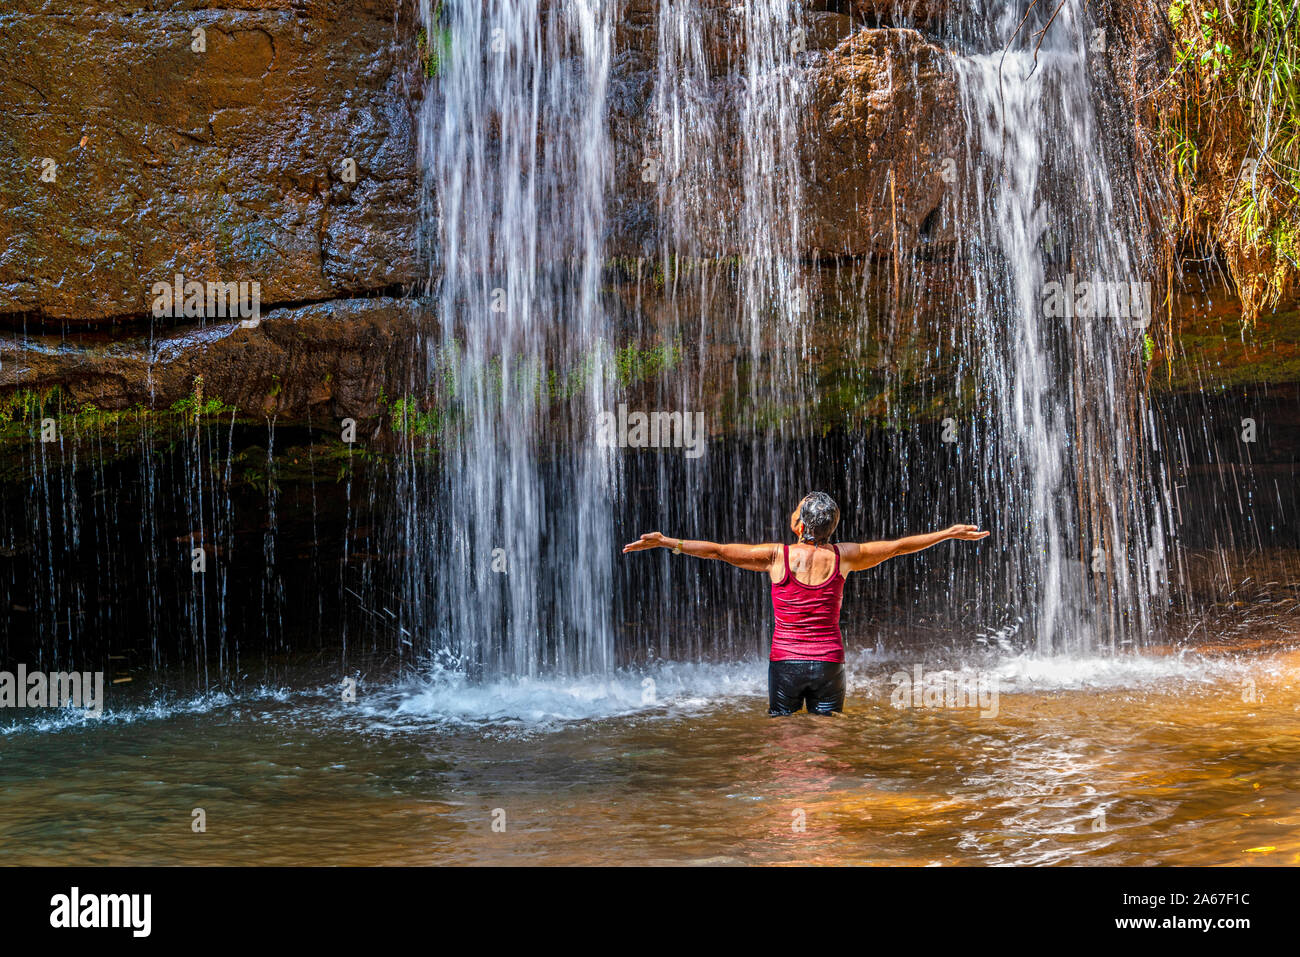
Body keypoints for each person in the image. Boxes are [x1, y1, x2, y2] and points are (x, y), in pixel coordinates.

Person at [622, 491, 989, 715]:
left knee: (783, 734)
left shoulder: (775, 556)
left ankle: (790, 800)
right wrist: (947, 534)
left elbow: (718, 552)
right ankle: (822, 803)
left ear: (799, 526)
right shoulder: (845, 556)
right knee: (826, 735)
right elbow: (897, 547)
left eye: (796, 512)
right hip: (829, 664)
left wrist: (670, 541)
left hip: (786, 664)